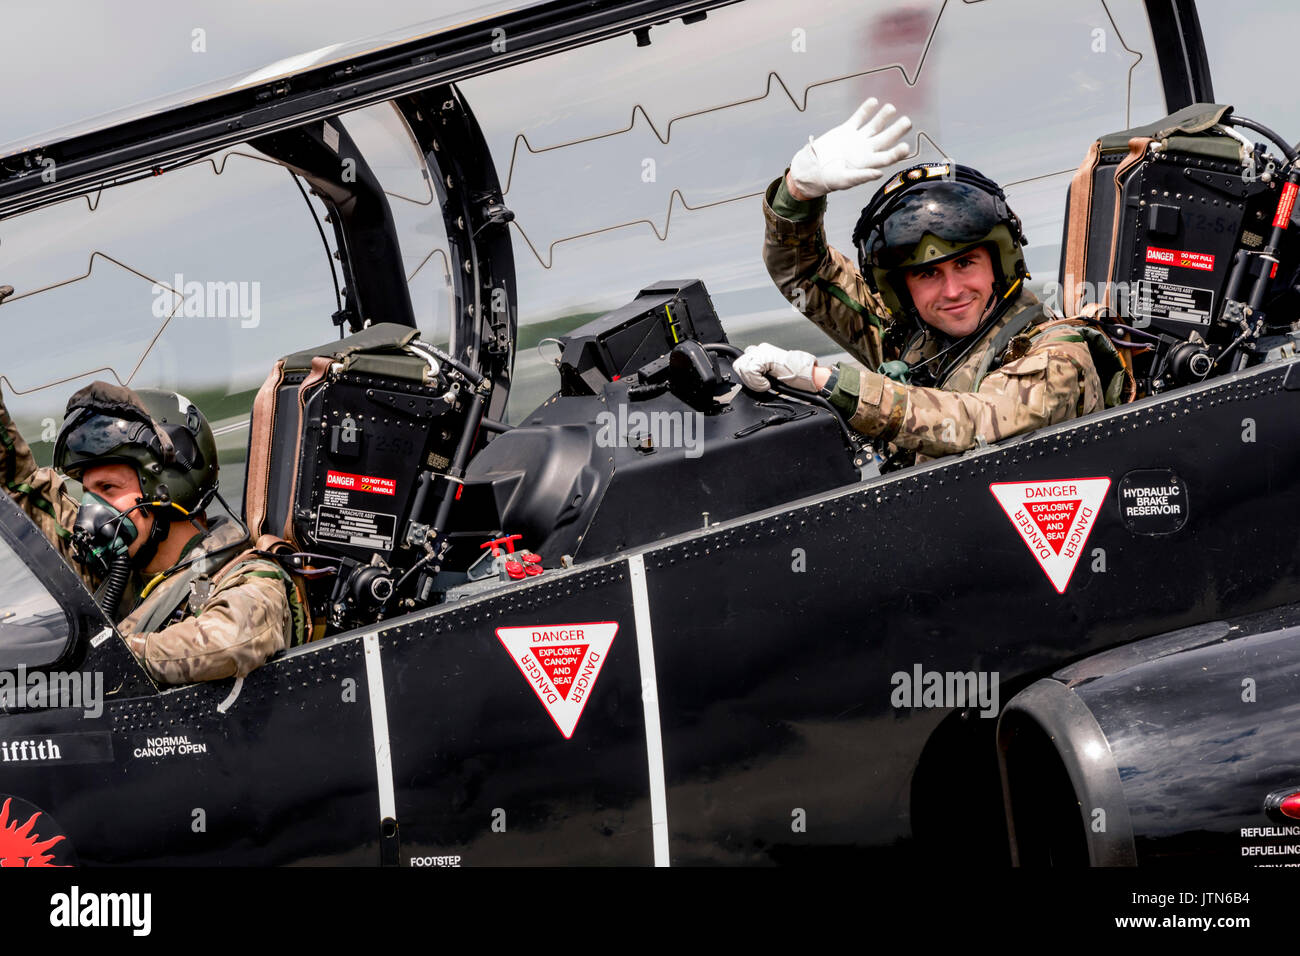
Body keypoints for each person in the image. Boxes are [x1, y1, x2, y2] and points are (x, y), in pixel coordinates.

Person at [736, 98, 1124, 463]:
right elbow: (806, 277)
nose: (952, 290)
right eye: (927, 274)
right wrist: (798, 194)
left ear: (999, 262)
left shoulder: (1056, 357)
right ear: (901, 288)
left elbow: (972, 422)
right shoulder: (914, 343)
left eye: (966, 264)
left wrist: (825, 380)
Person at [0, 380, 305, 684]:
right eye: (88, 491)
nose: (91, 509)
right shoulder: (106, 571)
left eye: (108, 488)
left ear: (166, 488)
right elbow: (21, 485)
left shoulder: (248, 577)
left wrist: (111, 653)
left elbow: (232, 639)